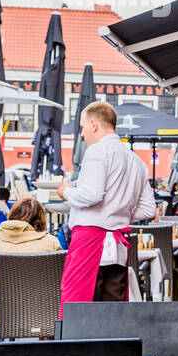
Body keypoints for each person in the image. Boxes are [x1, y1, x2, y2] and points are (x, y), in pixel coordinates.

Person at [57, 101, 156, 314]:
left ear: (94, 124)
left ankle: (77, 349)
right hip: (118, 245)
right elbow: (149, 209)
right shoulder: (136, 161)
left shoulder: (97, 151)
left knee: (78, 312)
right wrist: (118, 213)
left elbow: (92, 195)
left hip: (89, 241)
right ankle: (114, 348)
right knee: (113, 312)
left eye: (82, 127)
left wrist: (65, 192)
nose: (82, 134)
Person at [0, 196, 62, 289]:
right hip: (48, 300)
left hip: (9, 300)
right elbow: (60, 278)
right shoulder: (50, 241)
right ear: (41, 218)